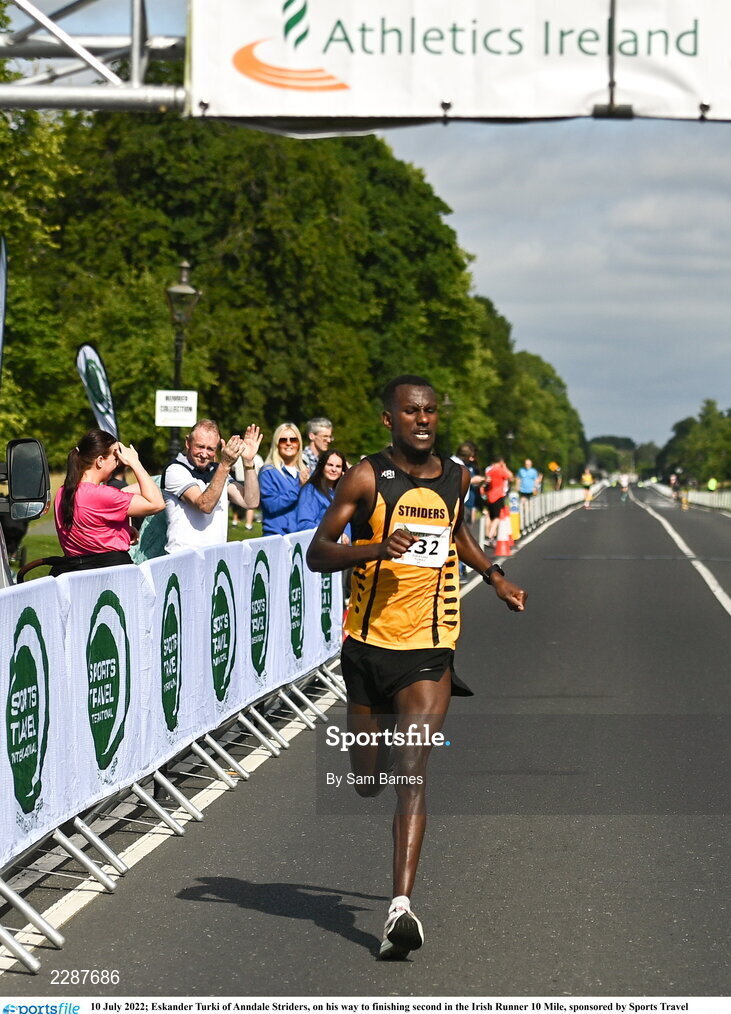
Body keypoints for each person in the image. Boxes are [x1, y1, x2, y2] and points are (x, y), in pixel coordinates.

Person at [307, 375, 527, 960]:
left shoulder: (455, 476)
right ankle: (367, 772)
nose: (423, 420)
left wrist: (494, 575)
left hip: (431, 647)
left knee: (412, 769)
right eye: (411, 412)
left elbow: (455, 529)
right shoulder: (365, 476)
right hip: (367, 645)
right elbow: (317, 552)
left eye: (430, 411)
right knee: (368, 778)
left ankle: (399, 910)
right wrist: (376, 548)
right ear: (389, 420)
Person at [54, 429, 164, 573]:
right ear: (100, 460)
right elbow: (156, 503)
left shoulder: (62, 493)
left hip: (76, 573)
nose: (118, 464)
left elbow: (88, 530)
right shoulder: (102, 495)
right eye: (116, 458)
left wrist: (120, 531)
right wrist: (135, 463)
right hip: (112, 574)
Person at [163, 419, 262, 554]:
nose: (204, 454)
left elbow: (251, 501)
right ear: (188, 442)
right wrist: (225, 465)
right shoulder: (175, 470)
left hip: (214, 558)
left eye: (210, 449)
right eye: (200, 446)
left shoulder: (218, 471)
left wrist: (248, 461)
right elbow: (204, 505)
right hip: (183, 559)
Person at [259, 423, 309, 536]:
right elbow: (271, 506)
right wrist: (299, 487)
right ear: (276, 444)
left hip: (301, 537)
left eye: (293, 439)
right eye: (283, 440)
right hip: (276, 537)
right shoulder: (268, 472)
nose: (288, 443)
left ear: (299, 443)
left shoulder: (305, 472)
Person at [295, 448, 350, 540]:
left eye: (338, 466)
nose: (333, 469)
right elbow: (304, 523)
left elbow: (348, 521)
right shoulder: (310, 490)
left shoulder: (344, 493)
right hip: (320, 545)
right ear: (322, 466)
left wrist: (346, 535)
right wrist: (333, 536)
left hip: (343, 548)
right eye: (330, 465)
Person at [483, 454, 514, 546]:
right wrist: (505, 467)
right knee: (497, 517)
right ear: (500, 462)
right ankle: (490, 536)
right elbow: (511, 477)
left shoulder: (490, 470)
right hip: (498, 496)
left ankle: (489, 534)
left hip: (489, 495)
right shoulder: (500, 470)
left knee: (491, 516)